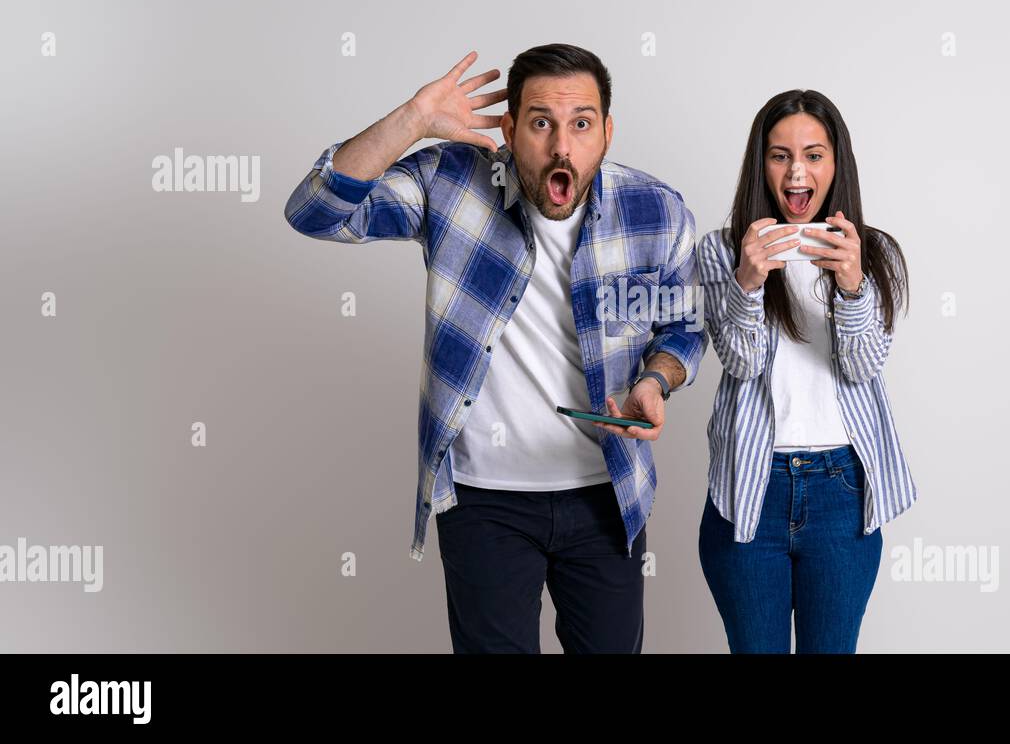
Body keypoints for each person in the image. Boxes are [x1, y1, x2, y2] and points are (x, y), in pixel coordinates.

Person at [283, 44, 705, 653]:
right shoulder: (451, 182)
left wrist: (655, 381)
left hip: (607, 494)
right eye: (541, 123)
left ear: (607, 133)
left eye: (581, 124)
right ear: (508, 129)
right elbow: (315, 211)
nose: (562, 146)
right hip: (485, 503)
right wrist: (411, 121)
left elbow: (683, 327)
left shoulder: (656, 210)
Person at [696, 89, 917, 653]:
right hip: (752, 489)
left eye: (814, 155)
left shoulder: (874, 254)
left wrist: (852, 285)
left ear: (836, 163)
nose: (797, 171)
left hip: (841, 492)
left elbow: (863, 363)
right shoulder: (722, 253)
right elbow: (740, 362)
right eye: (780, 155)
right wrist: (747, 283)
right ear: (760, 164)